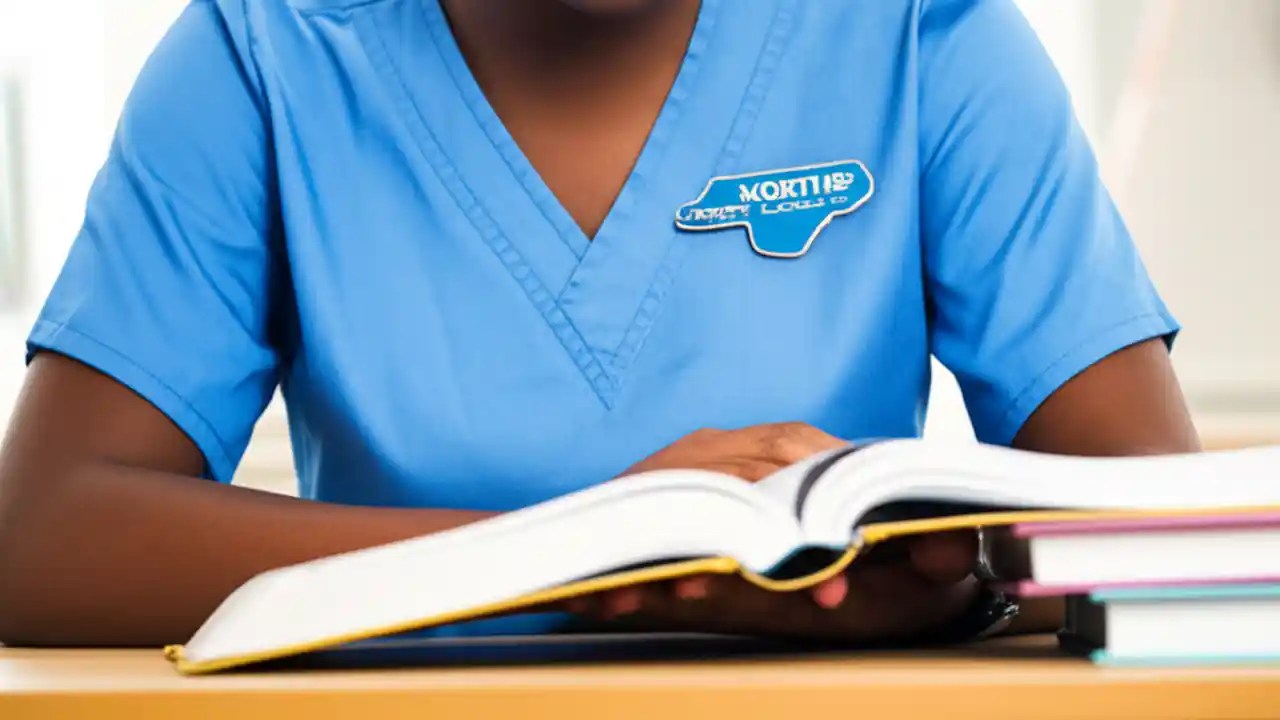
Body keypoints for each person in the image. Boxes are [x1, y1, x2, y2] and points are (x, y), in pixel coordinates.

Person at [0, 0, 1198, 648]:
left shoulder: (926, 36)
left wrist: (946, 581)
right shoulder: (259, 53)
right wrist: (601, 557)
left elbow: (1165, 534)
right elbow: (43, 541)